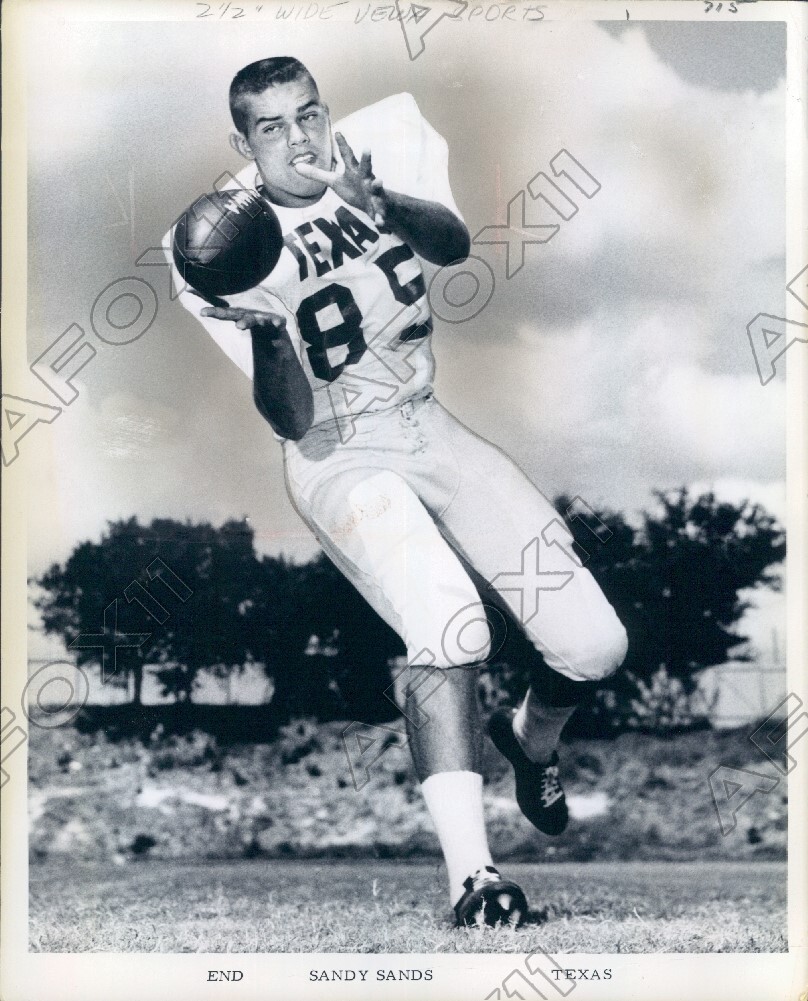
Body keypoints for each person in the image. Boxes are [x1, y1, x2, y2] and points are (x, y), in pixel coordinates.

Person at [166, 56, 628, 927]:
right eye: (272, 127)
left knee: (596, 645)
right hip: (338, 450)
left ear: (325, 110)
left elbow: (451, 245)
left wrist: (382, 205)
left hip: (428, 422)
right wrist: (269, 334)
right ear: (243, 143)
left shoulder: (377, 144)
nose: (299, 137)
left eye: (308, 114)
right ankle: (474, 880)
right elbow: (287, 414)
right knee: (451, 624)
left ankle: (527, 745)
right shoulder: (215, 240)